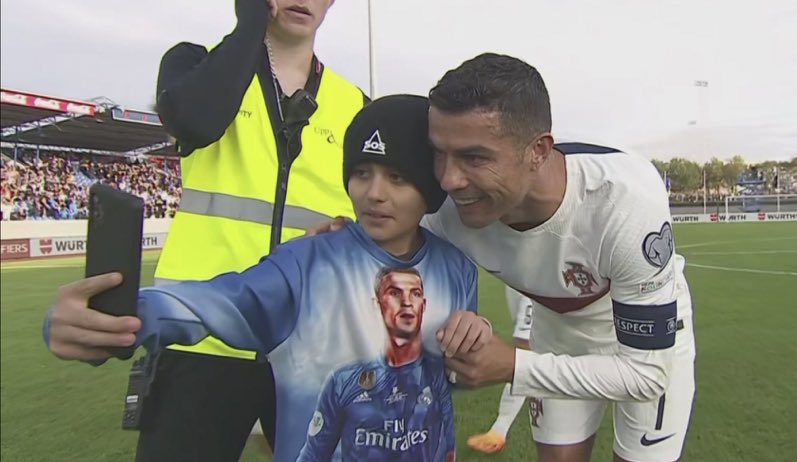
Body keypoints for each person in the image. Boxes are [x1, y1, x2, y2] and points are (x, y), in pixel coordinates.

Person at [43, 95, 491, 462]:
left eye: (397, 176)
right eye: (361, 173)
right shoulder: (307, 263)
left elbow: (453, 379)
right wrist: (115, 313)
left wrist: (476, 340)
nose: (374, 193)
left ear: (429, 187)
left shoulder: (457, 269)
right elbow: (214, 304)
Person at [310, 53, 697, 462]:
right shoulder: (443, 211)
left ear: (539, 151)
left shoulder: (623, 200)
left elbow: (646, 374)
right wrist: (336, 244)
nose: (448, 179)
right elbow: (378, 253)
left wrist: (512, 365)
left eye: (474, 158)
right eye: (439, 152)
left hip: (642, 346)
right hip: (558, 334)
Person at [145, 0, 368, 459]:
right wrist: (250, 23)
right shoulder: (195, 66)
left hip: (312, 342)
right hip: (202, 333)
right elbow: (196, 121)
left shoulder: (354, 104)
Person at [297, 267, 456, 461]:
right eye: (395, 293)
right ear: (377, 304)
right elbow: (314, 455)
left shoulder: (437, 373)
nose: (406, 302)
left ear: (423, 305)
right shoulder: (343, 381)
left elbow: (449, 451)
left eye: (415, 294)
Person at [466, 287, 533, 455]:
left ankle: (499, 431)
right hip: (516, 280)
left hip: (538, 282)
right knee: (534, 351)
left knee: (523, 353)